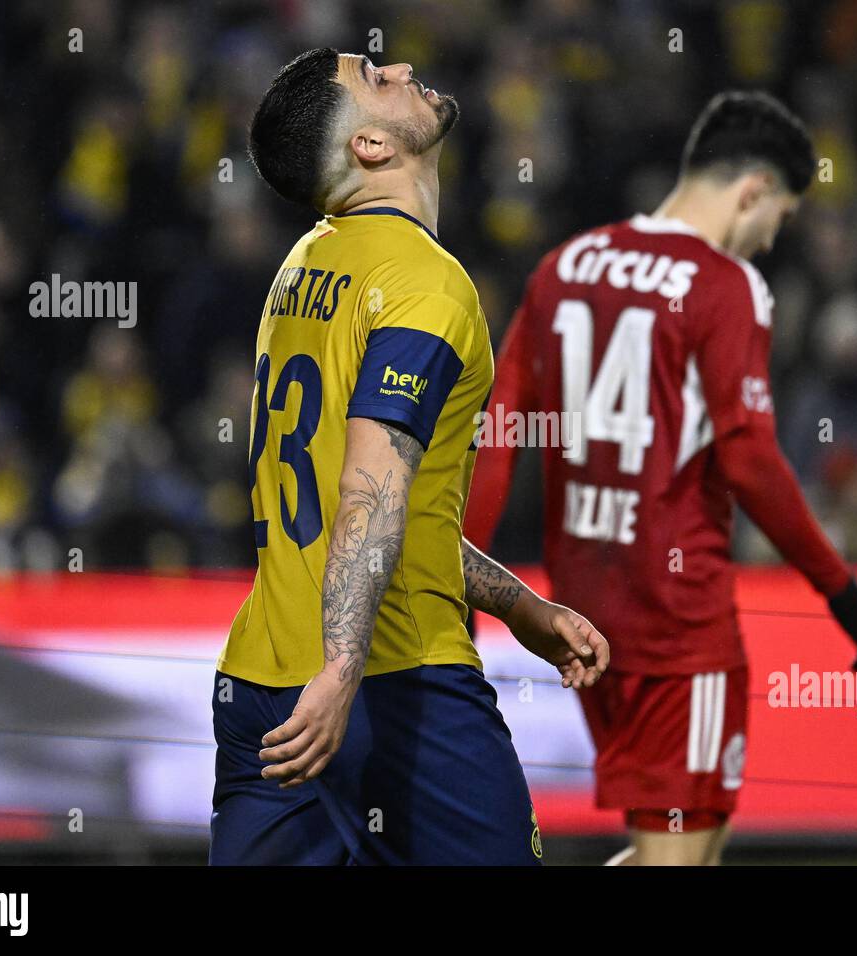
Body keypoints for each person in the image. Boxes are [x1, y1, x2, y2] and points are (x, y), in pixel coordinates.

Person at [465, 91, 857, 866]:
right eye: (779, 219)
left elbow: (498, 434)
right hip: (679, 628)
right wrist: (841, 589)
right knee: (679, 858)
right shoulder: (727, 287)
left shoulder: (566, 266)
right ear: (753, 190)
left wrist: (458, 580)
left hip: (584, 620)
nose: (767, 242)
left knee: (693, 848)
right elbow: (751, 459)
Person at [210, 48, 609, 866]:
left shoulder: (302, 270)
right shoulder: (427, 285)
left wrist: (523, 610)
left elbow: (393, 507)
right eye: (373, 78)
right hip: (390, 683)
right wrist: (343, 672)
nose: (398, 68)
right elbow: (369, 492)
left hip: (260, 683)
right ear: (370, 147)